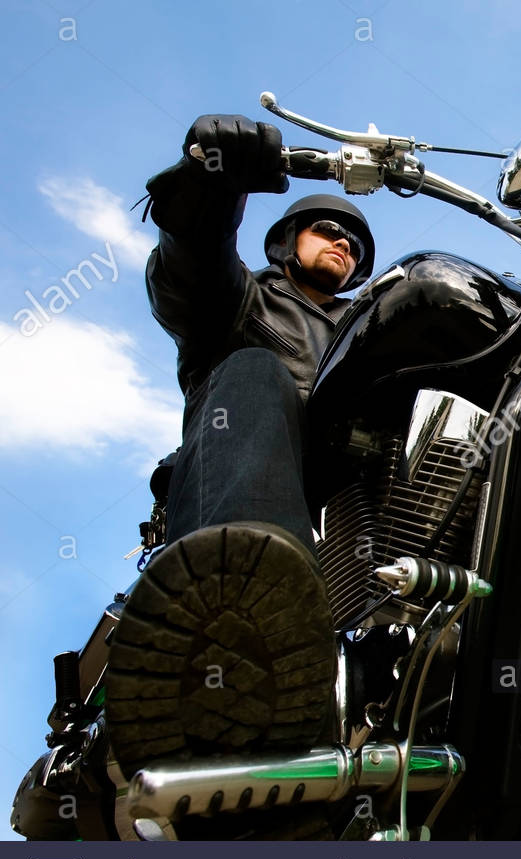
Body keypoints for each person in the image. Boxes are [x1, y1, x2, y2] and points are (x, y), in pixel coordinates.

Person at [104, 114, 372, 774]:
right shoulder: (244, 302)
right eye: (327, 230)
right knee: (257, 371)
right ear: (286, 242)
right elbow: (190, 270)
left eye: (354, 243)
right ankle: (243, 615)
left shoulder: (372, 336)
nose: (343, 243)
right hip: (259, 481)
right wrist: (211, 184)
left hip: (361, 519)